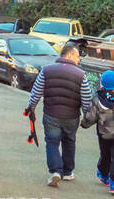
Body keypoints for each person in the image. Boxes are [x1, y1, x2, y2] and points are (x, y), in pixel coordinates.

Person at [25, 41, 93, 187]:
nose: (78, 60)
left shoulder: (47, 70)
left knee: (52, 142)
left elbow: (36, 91)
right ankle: (67, 172)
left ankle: (56, 171)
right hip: (72, 117)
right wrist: (87, 116)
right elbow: (87, 98)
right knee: (69, 142)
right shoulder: (81, 75)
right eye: (77, 57)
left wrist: (31, 107)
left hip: (51, 115)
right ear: (69, 55)